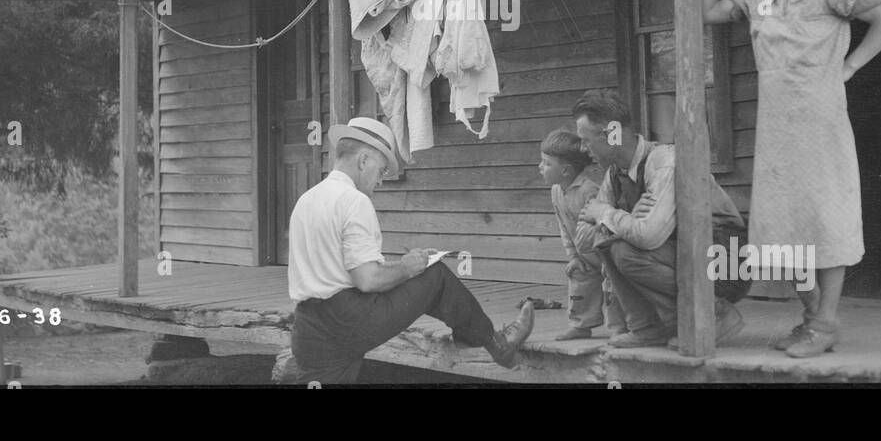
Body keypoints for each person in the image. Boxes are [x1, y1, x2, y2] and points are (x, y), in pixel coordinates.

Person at [702, 0, 881, 357]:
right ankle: (811, 320)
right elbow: (710, 13)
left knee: (825, 218)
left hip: (821, 121)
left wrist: (849, 66)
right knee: (786, 223)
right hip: (776, 127)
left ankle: (826, 323)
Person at [288, 116, 534, 383]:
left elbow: (342, 270)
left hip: (307, 328)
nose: (380, 182)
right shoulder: (354, 200)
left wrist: (406, 266)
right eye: (381, 171)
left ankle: (477, 336)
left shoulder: (306, 199)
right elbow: (368, 280)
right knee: (436, 275)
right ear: (363, 160)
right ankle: (497, 344)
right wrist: (407, 267)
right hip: (346, 320)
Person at [573, 89, 750, 349]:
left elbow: (648, 236)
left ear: (612, 133)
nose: (582, 149)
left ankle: (713, 314)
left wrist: (606, 215)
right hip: (686, 253)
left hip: (728, 260)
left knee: (624, 249)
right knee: (611, 243)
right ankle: (648, 328)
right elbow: (583, 239)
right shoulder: (615, 174)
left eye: (586, 140)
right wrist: (628, 219)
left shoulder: (664, 161)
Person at [539, 129, 625, 340]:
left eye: (547, 163)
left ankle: (620, 327)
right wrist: (574, 256)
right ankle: (581, 324)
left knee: (612, 286)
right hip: (584, 254)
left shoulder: (589, 191)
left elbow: (603, 225)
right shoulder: (556, 191)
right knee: (578, 275)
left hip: (605, 252)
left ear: (566, 170)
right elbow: (563, 225)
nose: (540, 167)